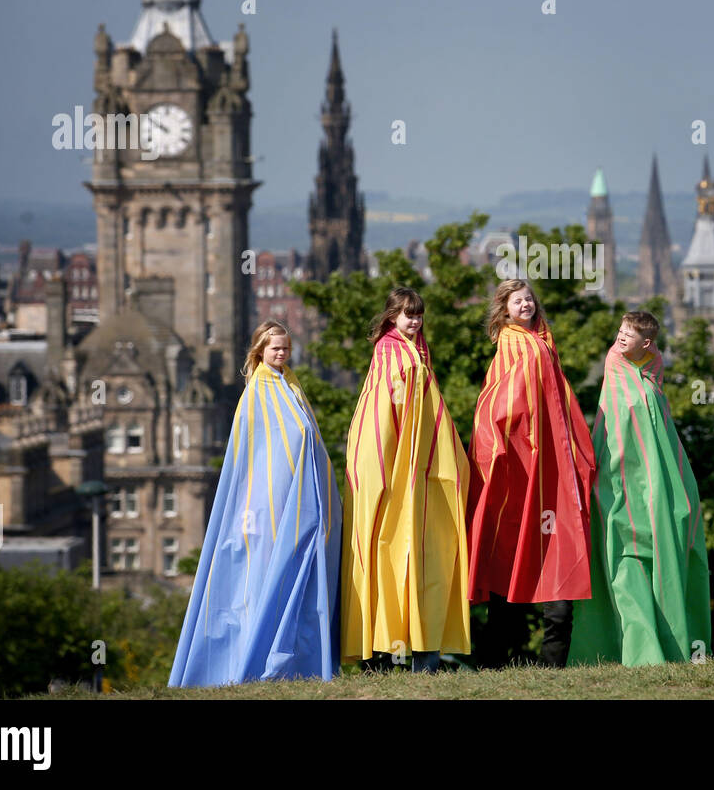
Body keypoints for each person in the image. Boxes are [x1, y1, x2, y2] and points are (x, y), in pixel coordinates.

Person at [169, 320, 341, 687]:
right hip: (269, 507)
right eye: (275, 348)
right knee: (260, 577)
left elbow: (303, 436)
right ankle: (254, 660)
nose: (281, 353)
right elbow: (256, 456)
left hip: (297, 501)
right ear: (259, 350)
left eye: (286, 348)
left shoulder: (290, 385)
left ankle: (299, 663)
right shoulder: (256, 393)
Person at [568, 311, 711, 667]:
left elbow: (654, 421)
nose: (619, 339)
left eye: (627, 336)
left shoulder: (653, 369)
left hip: (653, 478)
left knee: (666, 547)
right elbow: (622, 418)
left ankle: (673, 645)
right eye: (619, 332)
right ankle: (638, 652)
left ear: (646, 344)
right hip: (619, 478)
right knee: (625, 564)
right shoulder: (617, 369)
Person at [467, 279, 595, 667]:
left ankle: (552, 667)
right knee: (511, 561)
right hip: (521, 469)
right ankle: (493, 663)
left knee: (556, 558)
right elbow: (497, 404)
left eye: (529, 299)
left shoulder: (543, 343)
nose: (525, 305)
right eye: (517, 300)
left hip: (550, 469)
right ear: (504, 309)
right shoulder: (513, 346)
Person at [342, 287, 471, 673]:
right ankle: (382, 657)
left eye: (419, 315)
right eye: (407, 314)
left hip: (418, 475)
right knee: (389, 554)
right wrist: (386, 472)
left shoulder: (419, 353)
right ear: (391, 317)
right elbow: (383, 416)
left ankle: (421, 658)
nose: (415, 321)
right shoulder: (390, 353)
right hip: (398, 474)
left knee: (425, 556)